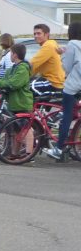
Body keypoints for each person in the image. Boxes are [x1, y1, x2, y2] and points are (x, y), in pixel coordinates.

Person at [46, 24, 81, 161]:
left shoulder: (72, 44)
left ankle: (59, 149)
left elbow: (67, 67)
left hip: (73, 86)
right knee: (73, 112)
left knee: (66, 116)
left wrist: (62, 55)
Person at [0, 43, 33, 114]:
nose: (10, 55)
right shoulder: (12, 68)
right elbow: (5, 80)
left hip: (21, 105)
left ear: (15, 55)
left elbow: (13, 84)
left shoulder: (23, 69)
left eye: (11, 53)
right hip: (14, 105)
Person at [30, 23, 65, 90]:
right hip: (54, 81)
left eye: (38, 33)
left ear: (47, 34)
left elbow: (33, 63)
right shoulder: (51, 43)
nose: (36, 36)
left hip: (53, 82)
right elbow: (36, 67)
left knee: (25, 88)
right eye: (34, 34)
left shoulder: (48, 45)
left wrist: (20, 71)